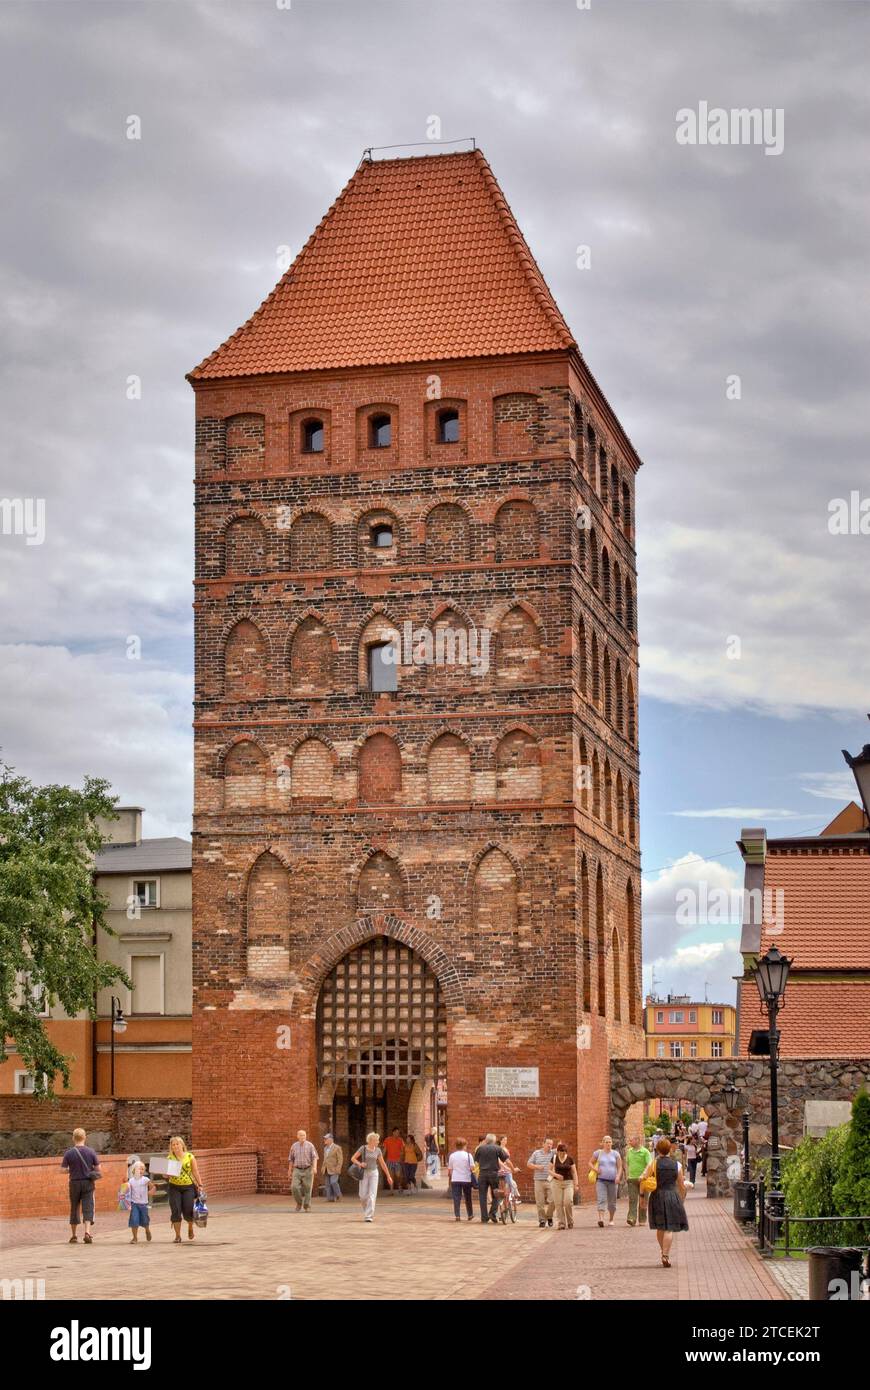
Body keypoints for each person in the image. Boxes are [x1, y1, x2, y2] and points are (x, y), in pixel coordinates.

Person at [644, 1137, 689, 1267]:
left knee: (660, 1227)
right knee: (669, 1228)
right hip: (671, 1195)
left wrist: (642, 1196)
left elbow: (645, 1179)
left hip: (657, 1196)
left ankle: (663, 1251)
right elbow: (681, 1185)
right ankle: (665, 1254)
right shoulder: (677, 1165)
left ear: (657, 1150)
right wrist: (681, 1198)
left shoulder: (653, 1164)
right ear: (669, 1149)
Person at [61, 1127, 101, 1244]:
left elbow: (62, 1170)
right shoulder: (91, 1152)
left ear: (73, 1138)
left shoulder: (69, 1153)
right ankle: (87, 1233)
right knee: (88, 1206)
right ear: (85, 1138)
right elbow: (98, 1169)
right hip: (88, 1182)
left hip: (74, 1183)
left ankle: (73, 1235)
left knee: (74, 1207)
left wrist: (71, 1170)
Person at [167, 1136, 203, 1243]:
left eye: (177, 1144)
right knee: (176, 1211)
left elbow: (195, 1171)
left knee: (188, 1210)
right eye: (173, 1145)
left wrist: (200, 1184)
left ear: (182, 1145)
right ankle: (177, 1236)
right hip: (174, 1187)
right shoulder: (169, 1158)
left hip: (188, 1187)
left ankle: (190, 1227)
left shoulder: (190, 1156)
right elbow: (166, 1175)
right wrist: (166, 1174)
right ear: (171, 1147)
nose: (175, 1146)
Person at [351, 1131, 393, 1221]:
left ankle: (368, 1216)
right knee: (362, 1196)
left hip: (374, 1173)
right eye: (376, 1140)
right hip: (364, 1173)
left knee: (372, 1194)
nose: (378, 1142)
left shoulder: (378, 1150)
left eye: (378, 1141)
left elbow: (382, 1164)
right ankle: (367, 1210)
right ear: (371, 1140)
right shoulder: (363, 1148)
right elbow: (353, 1158)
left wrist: (388, 1176)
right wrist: (360, 1163)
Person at [474, 1133, 509, 1224]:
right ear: (493, 1140)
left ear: (486, 1140)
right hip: (493, 1174)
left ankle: (484, 1217)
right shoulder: (497, 1148)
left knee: (482, 1196)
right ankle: (492, 1214)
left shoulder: (480, 1148)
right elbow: (505, 1158)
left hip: (482, 1174)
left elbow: (477, 1160)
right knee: (496, 1194)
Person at [590, 1135, 623, 1228]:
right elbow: (590, 1162)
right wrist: (596, 1170)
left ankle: (611, 1219)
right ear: (602, 1143)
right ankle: (601, 1219)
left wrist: (618, 1176)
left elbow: (620, 1166)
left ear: (612, 1143)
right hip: (601, 1181)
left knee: (612, 1202)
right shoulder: (598, 1153)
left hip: (613, 1181)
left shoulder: (616, 1154)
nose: (608, 1143)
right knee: (601, 1199)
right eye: (606, 1142)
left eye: (609, 1142)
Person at [124, 1161, 156, 1244]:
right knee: (134, 1220)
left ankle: (147, 1230)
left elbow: (153, 1187)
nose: (141, 1171)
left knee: (145, 1220)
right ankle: (135, 1237)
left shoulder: (145, 1179)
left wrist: (151, 1191)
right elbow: (126, 1190)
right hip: (134, 1204)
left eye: (142, 1169)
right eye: (139, 1169)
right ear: (134, 1170)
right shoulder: (131, 1180)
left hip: (143, 1204)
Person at [527, 1137, 555, 1228]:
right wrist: (537, 1167)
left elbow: (561, 1150)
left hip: (550, 1180)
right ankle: (542, 1220)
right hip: (538, 1180)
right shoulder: (536, 1153)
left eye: (551, 1144)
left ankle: (549, 1216)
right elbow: (529, 1164)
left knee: (553, 1200)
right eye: (548, 1143)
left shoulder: (553, 1153)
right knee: (540, 1202)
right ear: (543, 1144)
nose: (549, 1145)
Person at [625, 1134, 653, 1227]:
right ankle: (631, 1218)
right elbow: (628, 1163)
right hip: (632, 1179)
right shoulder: (629, 1151)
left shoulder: (645, 1152)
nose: (629, 1142)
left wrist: (643, 1174)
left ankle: (642, 1219)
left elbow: (649, 1165)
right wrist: (627, 1175)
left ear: (637, 1141)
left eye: (631, 1140)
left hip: (644, 1180)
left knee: (644, 1199)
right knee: (632, 1199)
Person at [287, 1129, 318, 1212]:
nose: (302, 1137)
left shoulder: (310, 1145)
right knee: (294, 1187)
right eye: (301, 1135)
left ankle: (307, 1206)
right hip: (297, 1169)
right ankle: (299, 1202)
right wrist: (289, 1170)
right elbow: (291, 1159)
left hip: (308, 1169)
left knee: (308, 1188)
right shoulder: (294, 1146)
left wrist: (315, 1167)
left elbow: (314, 1157)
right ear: (297, 1136)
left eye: (304, 1135)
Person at [549, 1143, 578, 1230]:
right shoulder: (554, 1158)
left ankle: (570, 1221)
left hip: (568, 1182)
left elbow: (574, 1172)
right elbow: (549, 1171)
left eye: (564, 1152)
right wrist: (556, 1175)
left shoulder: (570, 1159)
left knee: (568, 1202)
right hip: (556, 1183)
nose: (562, 1153)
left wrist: (576, 1184)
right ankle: (561, 1223)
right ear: (557, 1151)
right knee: (558, 1203)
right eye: (561, 1152)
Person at [447, 1138, 475, 1221]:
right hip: (466, 1179)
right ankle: (470, 1214)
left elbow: (450, 1169)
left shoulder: (452, 1155)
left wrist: (451, 1176)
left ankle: (457, 1215)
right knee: (468, 1197)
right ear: (464, 1146)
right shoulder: (468, 1155)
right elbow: (472, 1167)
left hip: (455, 1179)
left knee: (456, 1198)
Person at [322, 1133, 343, 1202]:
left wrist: (338, 1168)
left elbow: (340, 1159)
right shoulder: (325, 1148)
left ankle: (338, 1195)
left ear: (331, 1139)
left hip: (334, 1168)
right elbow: (325, 1159)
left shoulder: (337, 1148)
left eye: (326, 1139)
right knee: (327, 1184)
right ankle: (330, 1198)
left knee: (333, 1182)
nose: (324, 1140)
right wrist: (323, 1167)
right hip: (326, 1168)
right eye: (324, 1139)